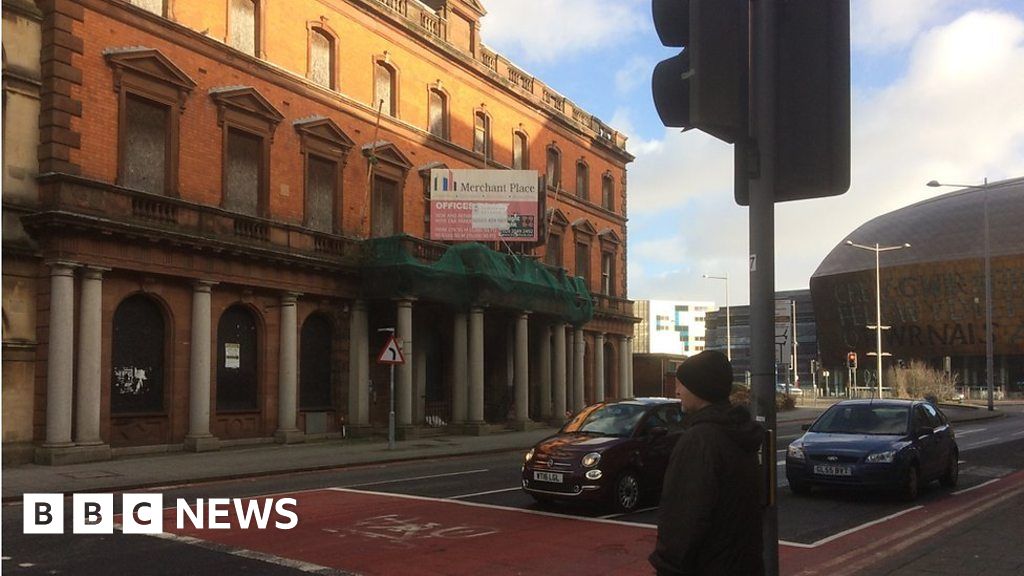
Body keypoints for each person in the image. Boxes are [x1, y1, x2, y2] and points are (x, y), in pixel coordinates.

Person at [649, 350, 765, 576]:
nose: (677, 391)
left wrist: (666, 568)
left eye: (682, 384)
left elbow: (684, 520)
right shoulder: (738, 434)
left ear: (699, 388)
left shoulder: (699, 440)